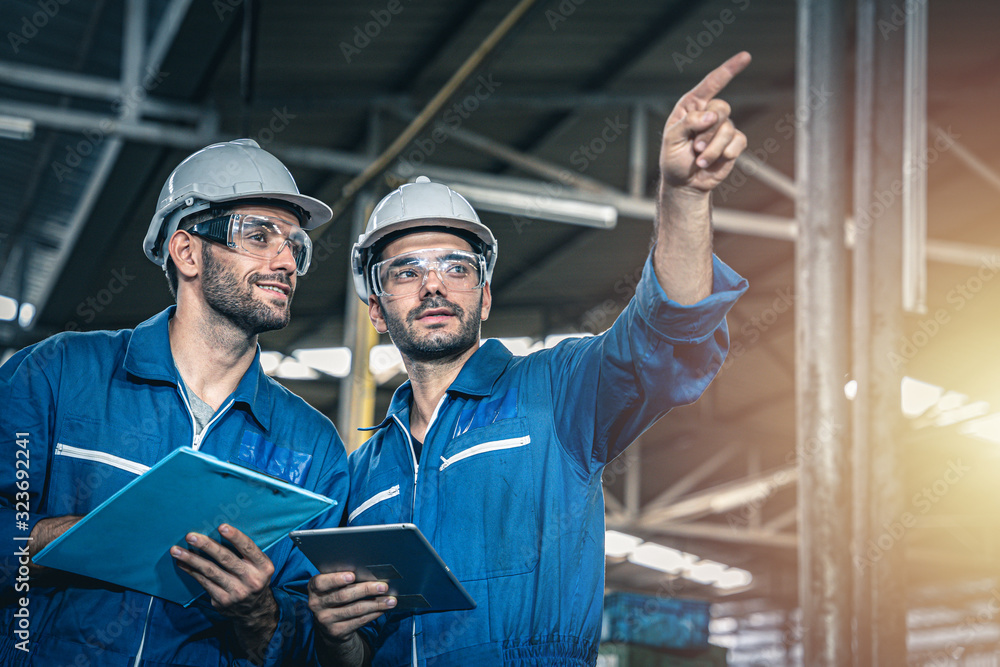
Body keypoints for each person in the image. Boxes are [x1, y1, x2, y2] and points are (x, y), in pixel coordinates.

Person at [308, 53, 752, 666]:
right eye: (405, 271)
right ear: (377, 310)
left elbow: (664, 335)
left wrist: (684, 196)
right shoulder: (358, 475)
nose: (433, 286)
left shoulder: (557, 392)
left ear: (485, 296)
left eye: (456, 267)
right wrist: (336, 635)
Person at [0, 138, 349, 666]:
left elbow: (312, 643)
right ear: (186, 251)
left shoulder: (311, 444)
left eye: (295, 244)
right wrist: (75, 539)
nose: (286, 261)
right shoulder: (59, 373)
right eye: (258, 235)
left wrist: (259, 611)